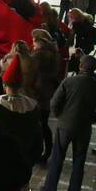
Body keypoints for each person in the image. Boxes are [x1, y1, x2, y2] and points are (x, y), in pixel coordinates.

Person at [42, 55, 96, 191]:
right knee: (79, 160)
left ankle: (50, 189)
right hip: (84, 128)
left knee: (58, 156)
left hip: (65, 125)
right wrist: (93, 119)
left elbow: (54, 102)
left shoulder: (69, 81)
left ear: (80, 66)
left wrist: (61, 116)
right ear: (95, 68)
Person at [0, 55, 43, 191]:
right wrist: (32, 159)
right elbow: (38, 138)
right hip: (24, 161)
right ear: (21, 84)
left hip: (0, 162)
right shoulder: (33, 106)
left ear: (4, 84)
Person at [29, 29, 61, 161]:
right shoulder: (52, 52)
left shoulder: (39, 55)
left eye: (33, 40)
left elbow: (29, 69)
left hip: (39, 92)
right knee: (43, 122)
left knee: (39, 124)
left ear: (38, 40)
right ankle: (47, 150)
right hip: (48, 92)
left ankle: (41, 151)